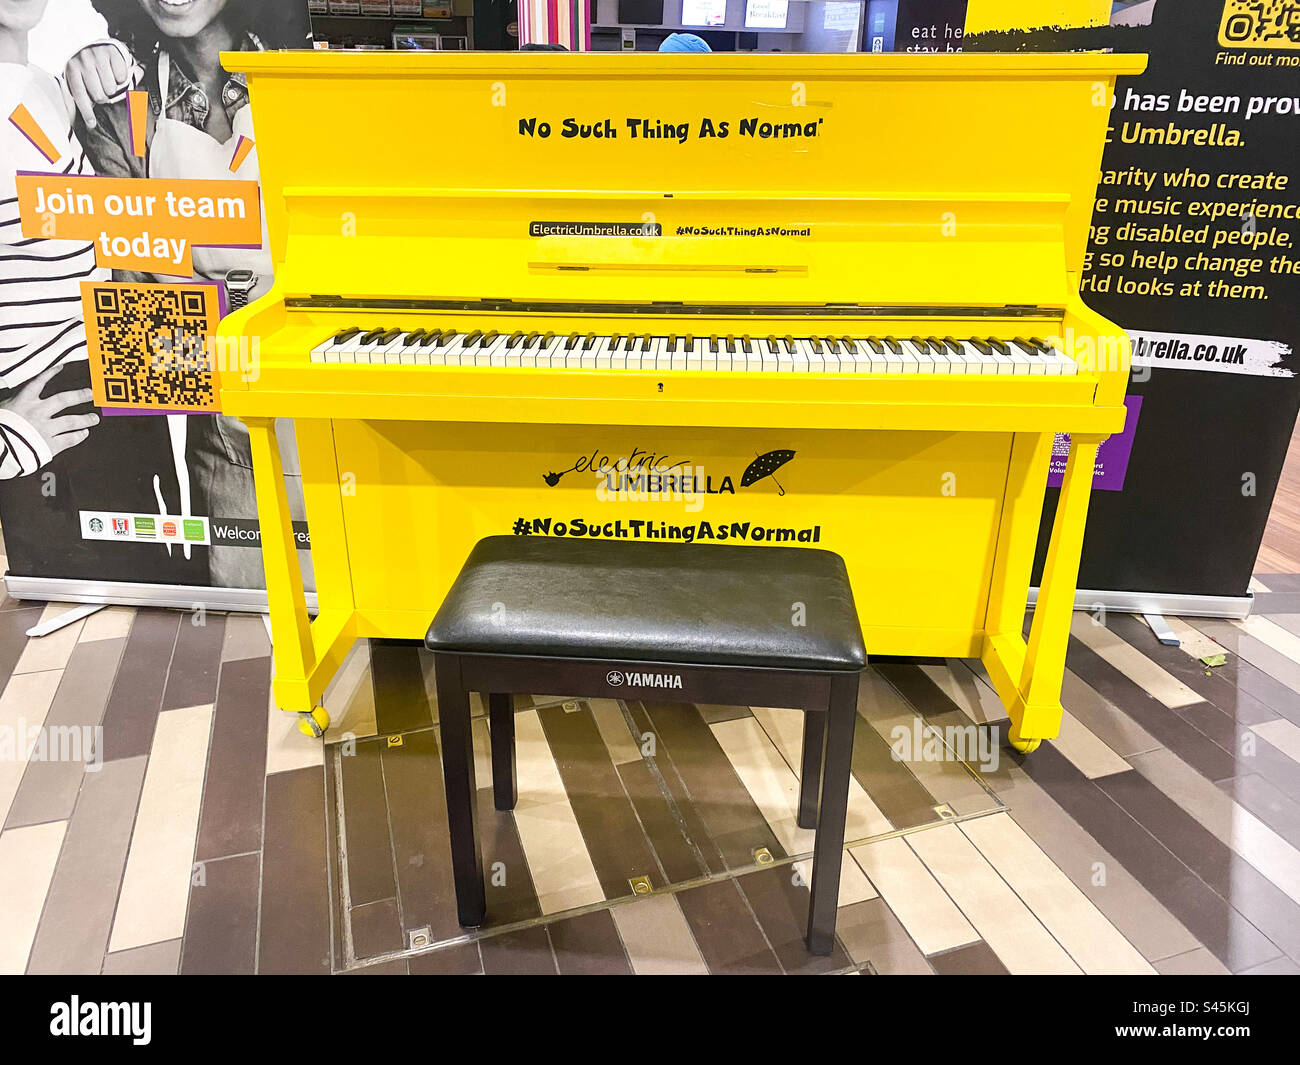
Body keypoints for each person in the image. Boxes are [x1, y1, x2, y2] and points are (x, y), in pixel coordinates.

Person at [61, 1, 312, 590]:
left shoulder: (306, 79)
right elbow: (136, 317)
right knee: (253, 639)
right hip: (228, 445)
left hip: (340, 407)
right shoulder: (125, 114)